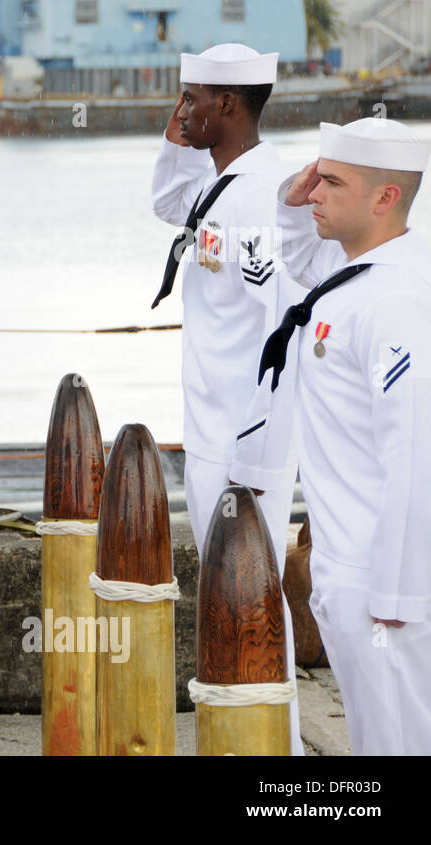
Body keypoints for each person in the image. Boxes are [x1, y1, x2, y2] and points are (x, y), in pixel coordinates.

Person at [148, 43, 302, 754]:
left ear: (230, 106)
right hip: (210, 434)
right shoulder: (223, 181)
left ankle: (279, 747)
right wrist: (179, 139)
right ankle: (244, 742)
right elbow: (168, 203)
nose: (182, 111)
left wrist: (256, 459)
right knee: (225, 597)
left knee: (256, 602)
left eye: (194, 99)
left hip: (245, 442)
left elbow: (283, 340)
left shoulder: (266, 200)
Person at [262, 117, 431, 754]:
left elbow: (414, 454)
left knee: (398, 744)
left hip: (382, 583)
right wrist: (293, 199)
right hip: (349, 568)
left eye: (331, 182)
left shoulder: (398, 301)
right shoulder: (365, 271)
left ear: (385, 198)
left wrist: (396, 592)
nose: (314, 194)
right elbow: (304, 261)